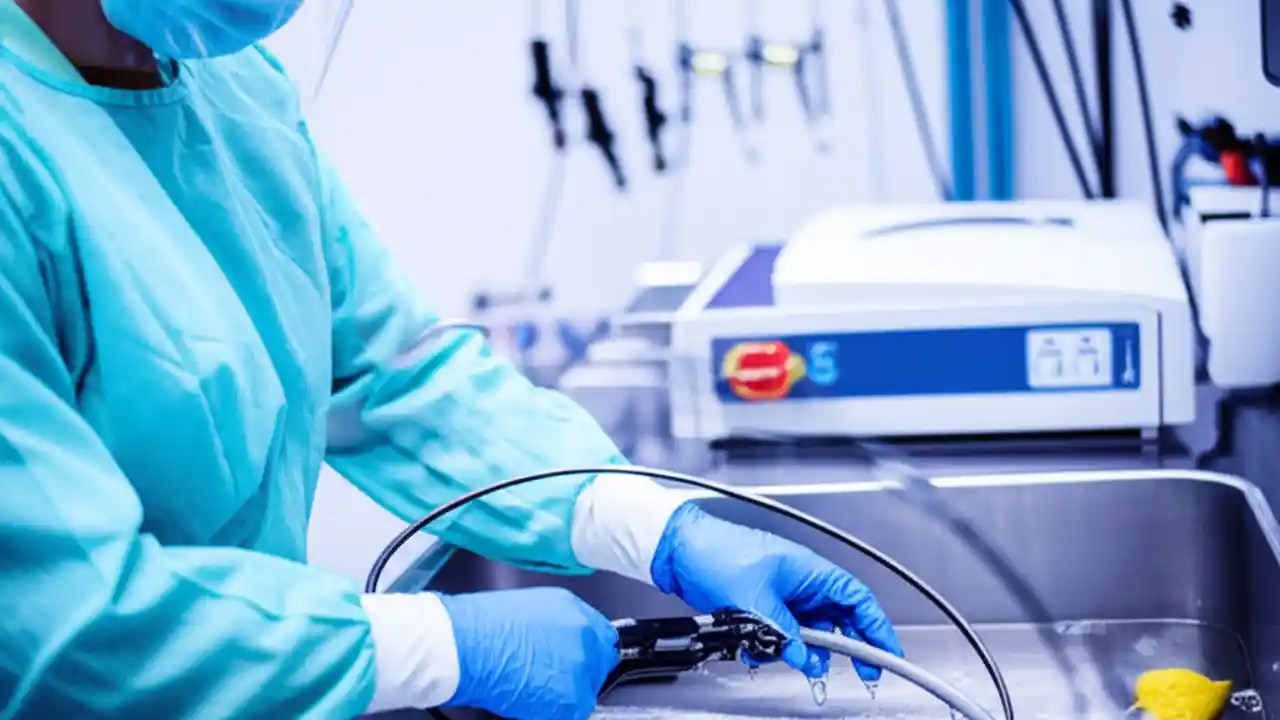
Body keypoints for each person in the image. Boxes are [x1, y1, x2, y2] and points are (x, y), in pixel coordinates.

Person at [0, 1, 903, 718]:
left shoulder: (233, 92)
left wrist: (648, 524)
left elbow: (394, 375)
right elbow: (59, 614)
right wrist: (430, 647)